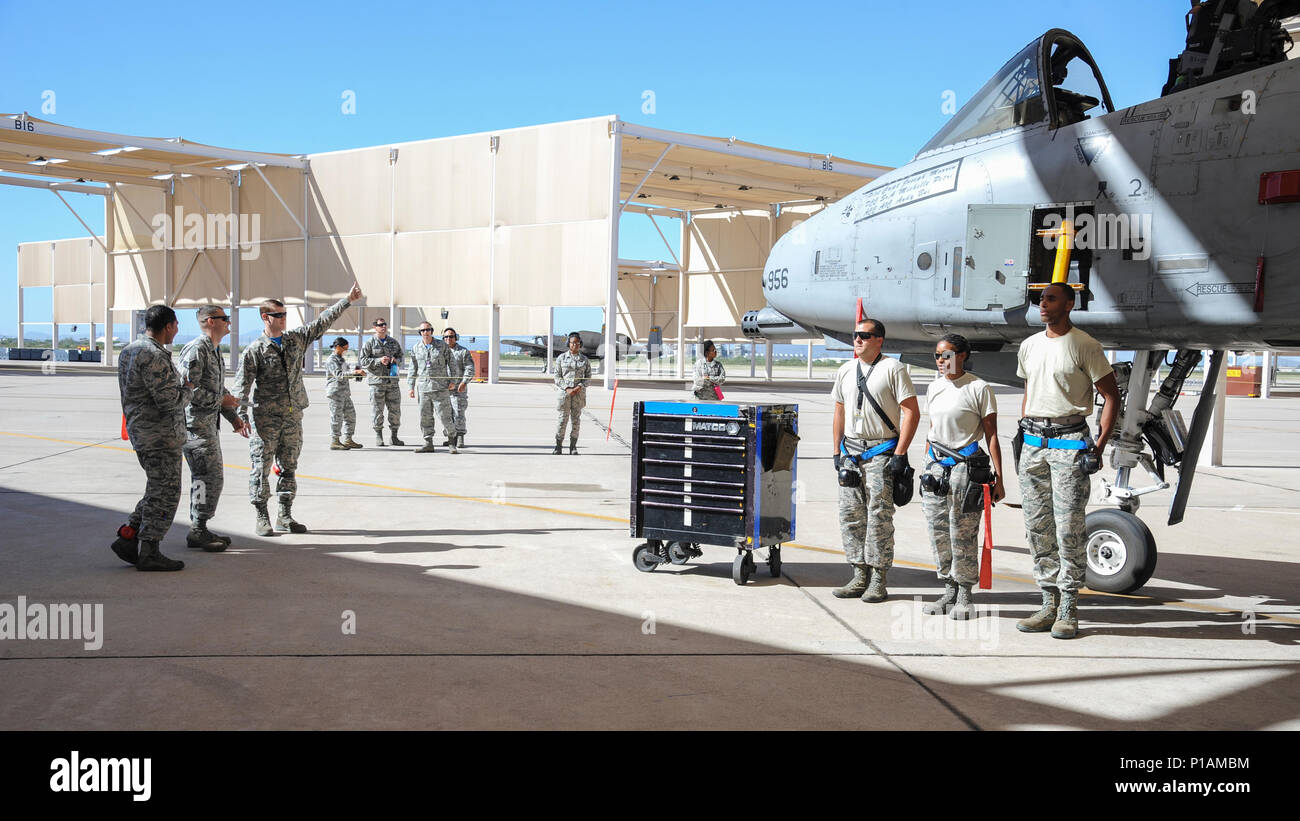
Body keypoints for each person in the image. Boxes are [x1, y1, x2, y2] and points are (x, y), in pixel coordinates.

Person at [1015, 281, 1119, 639]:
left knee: (1068, 527)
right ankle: (1047, 603)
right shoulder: (1029, 346)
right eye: (1041, 299)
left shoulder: (1084, 345)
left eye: (1051, 299)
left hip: (1069, 442)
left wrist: (1099, 446)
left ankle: (1069, 608)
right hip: (1032, 443)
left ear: (1069, 304)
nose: (1043, 304)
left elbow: (1110, 396)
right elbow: (1029, 391)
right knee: (1037, 527)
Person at [233, 283, 363, 536]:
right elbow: (242, 387)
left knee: (289, 466)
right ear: (265, 317)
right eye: (279, 315)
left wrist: (347, 300)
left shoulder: (295, 339)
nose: (283, 319)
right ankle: (262, 515)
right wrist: (241, 416)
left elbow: (322, 322)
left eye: (284, 315)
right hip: (266, 419)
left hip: (292, 417)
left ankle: (285, 515)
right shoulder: (255, 351)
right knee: (261, 467)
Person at [830, 318, 919, 602]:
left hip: (881, 452)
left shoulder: (893, 369)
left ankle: (878, 578)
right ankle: (859, 575)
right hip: (851, 454)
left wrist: (900, 454)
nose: (857, 340)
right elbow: (839, 413)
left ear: (879, 340)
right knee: (850, 518)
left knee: (879, 518)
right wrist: (836, 452)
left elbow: (911, 412)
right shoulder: (845, 370)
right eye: (855, 335)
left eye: (864, 336)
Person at [919, 334, 1005, 619]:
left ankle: (965, 594)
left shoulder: (978, 388)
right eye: (937, 356)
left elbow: (991, 435)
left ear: (963, 355)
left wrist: (999, 478)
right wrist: (926, 464)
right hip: (935, 468)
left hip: (965, 469)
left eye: (947, 355)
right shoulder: (934, 388)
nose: (941, 360)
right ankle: (948, 589)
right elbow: (932, 429)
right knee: (938, 532)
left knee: (963, 533)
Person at [113, 304, 191, 571]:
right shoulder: (155, 355)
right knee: (166, 492)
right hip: (161, 436)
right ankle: (150, 550)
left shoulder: (128, 351)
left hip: (142, 433)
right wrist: (188, 389)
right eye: (176, 325)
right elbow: (169, 401)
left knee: (156, 488)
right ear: (167, 326)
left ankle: (129, 536)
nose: (177, 330)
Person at [178, 305, 250, 552]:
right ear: (210, 321)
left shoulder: (214, 351)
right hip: (194, 427)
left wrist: (233, 417)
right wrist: (221, 402)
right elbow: (189, 390)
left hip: (208, 426)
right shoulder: (197, 350)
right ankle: (197, 529)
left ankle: (201, 526)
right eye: (224, 318)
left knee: (211, 478)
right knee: (206, 478)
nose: (229, 322)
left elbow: (220, 390)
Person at [407, 322, 459, 454]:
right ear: (420, 333)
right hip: (423, 389)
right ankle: (428, 442)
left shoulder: (442, 346)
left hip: (440, 388)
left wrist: (453, 381)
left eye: (428, 330)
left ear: (432, 331)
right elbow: (412, 369)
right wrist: (411, 387)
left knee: (445, 416)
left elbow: (453, 364)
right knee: (425, 417)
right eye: (423, 330)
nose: (426, 332)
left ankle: (452, 442)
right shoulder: (416, 348)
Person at [359, 317, 404, 446]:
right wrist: (379, 360)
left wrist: (396, 360)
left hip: (392, 382)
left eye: (385, 324)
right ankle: (379, 436)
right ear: (375, 327)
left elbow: (401, 356)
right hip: (376, 382)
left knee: (395, 410)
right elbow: (363, 361)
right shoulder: (369, 343)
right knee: (377, 410)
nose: (384, 327)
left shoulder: (393, 342)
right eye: (381, 325)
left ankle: (394, 436)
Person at [553, 332, 591, 455]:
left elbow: (588, 377)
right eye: (572, 342)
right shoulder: (561, 358)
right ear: (568, 344)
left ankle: (573, 447)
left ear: (580, 344)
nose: (575, 345)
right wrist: (567, 388)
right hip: (564, 395)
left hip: (578, 395)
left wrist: (579, 387)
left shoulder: (584, 360)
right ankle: (558, 446)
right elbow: (557, 377)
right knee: (562, 420)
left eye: (577, 342)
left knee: (576, 420)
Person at [326, 337, 365, 450]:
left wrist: (356, 374)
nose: (345, 351)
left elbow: (346, 372)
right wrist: (355, 372)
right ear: (338, 347)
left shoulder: (341, 359)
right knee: (337, 417)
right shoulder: (331, 360)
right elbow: (339, 375)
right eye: (344, 349)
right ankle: (335, 441)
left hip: (344, 393)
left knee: (350, 416)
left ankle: (348, 439)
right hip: (335, 393)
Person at [442, 328, 474, 448]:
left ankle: (460, 437)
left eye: (451, 336)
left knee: (458, 413)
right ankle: (451, 437)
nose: (448, 339)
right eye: (446, 337)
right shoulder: (440, 351)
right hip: (444, 388)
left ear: (456, 337)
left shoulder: (463, 352)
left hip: (458, 388)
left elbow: (470, 368)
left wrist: (464, 382)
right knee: (446, 414)